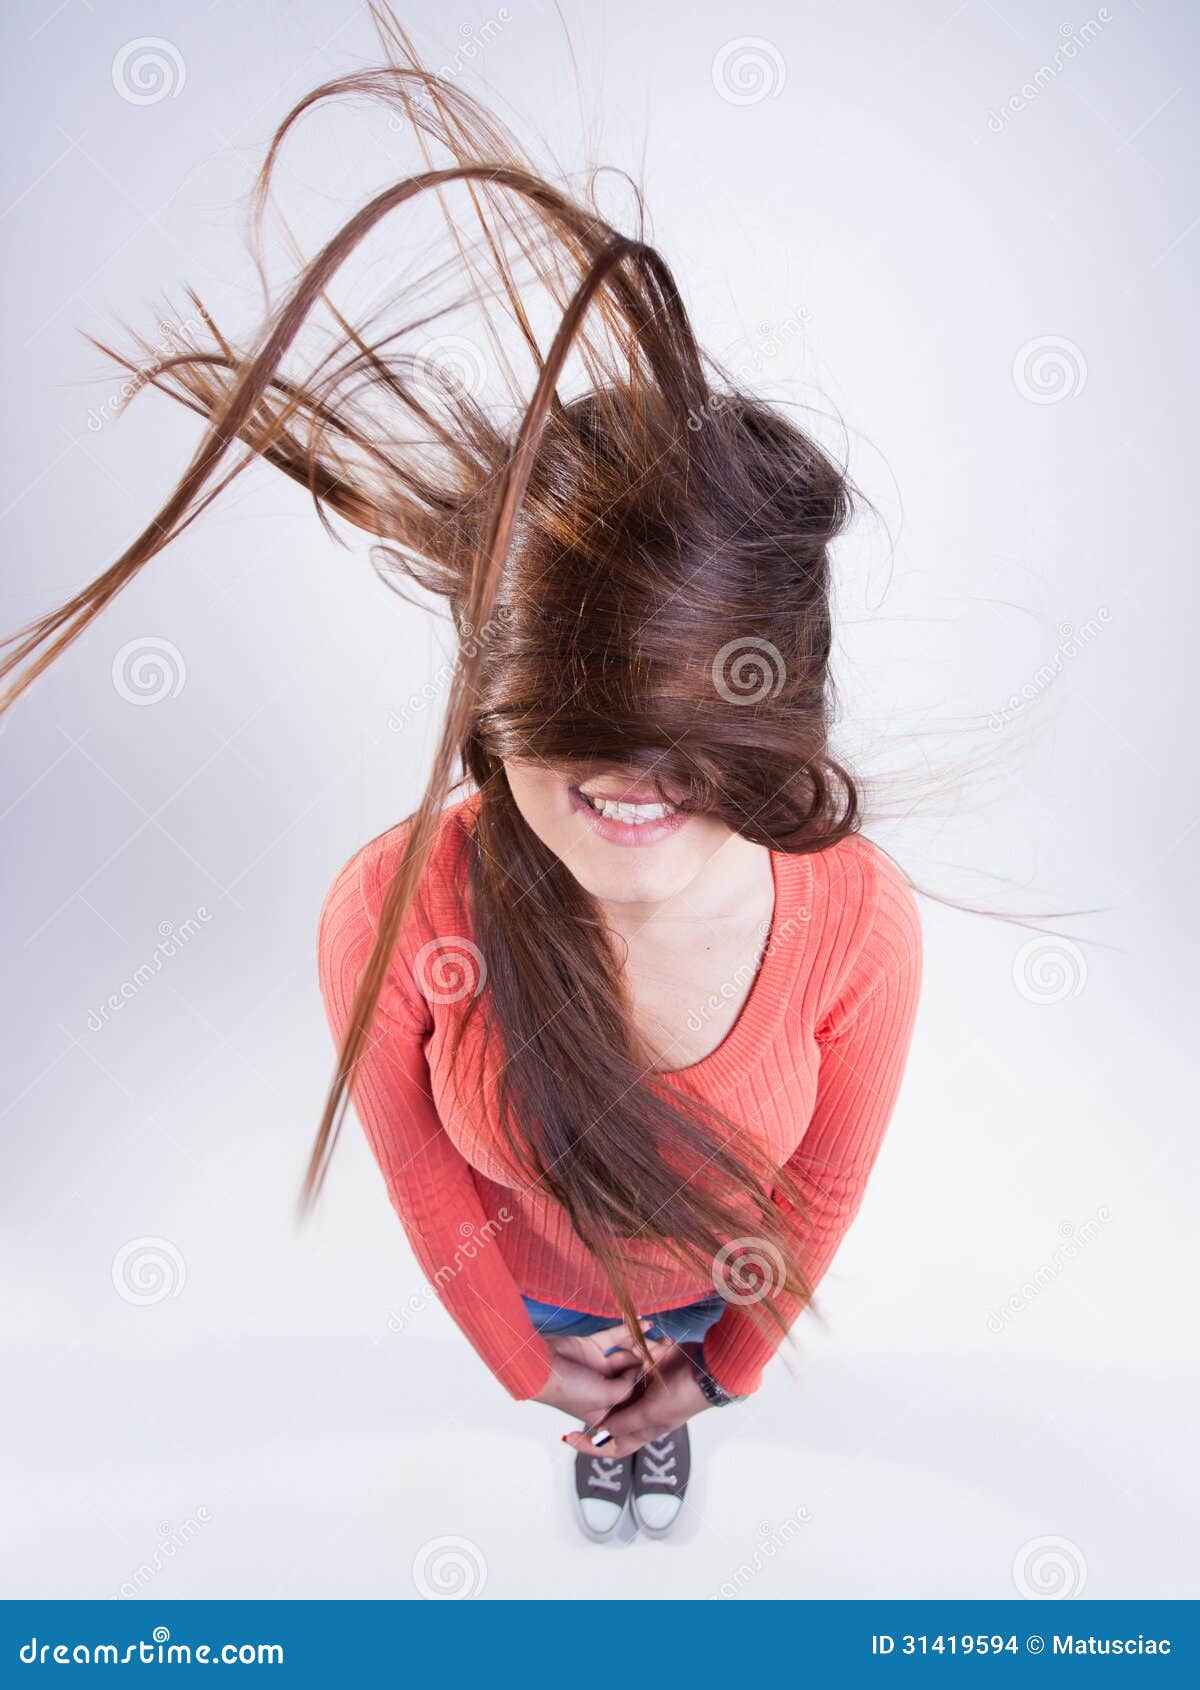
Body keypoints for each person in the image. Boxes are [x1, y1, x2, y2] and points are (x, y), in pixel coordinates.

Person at [0, 12, 921, 1541]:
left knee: (676, 1396)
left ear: (783, 706)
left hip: (706, 1316)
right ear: (494, 690)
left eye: (695, 700)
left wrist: (714, 1376)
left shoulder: (859, 923)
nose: (634, 765)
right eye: (578, 691)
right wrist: (534, 1372)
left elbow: (819, 1193)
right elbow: (428, 1187)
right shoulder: (389, 907)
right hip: (535, 1316)